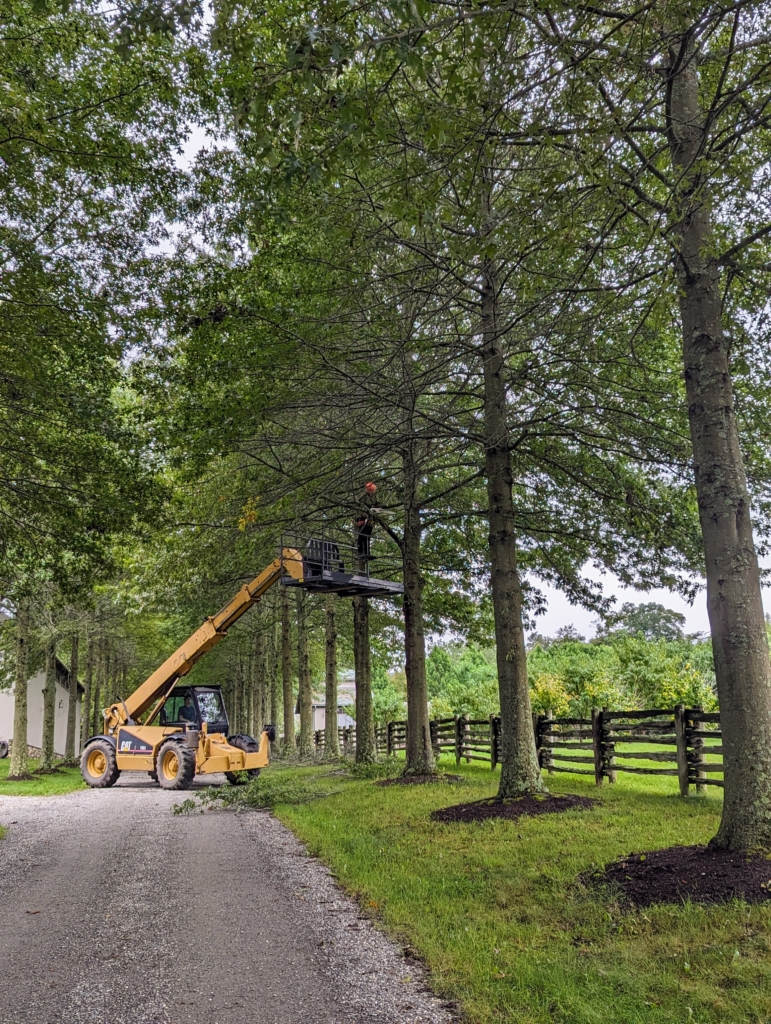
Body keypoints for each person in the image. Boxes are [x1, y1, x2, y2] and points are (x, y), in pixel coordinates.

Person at [354, 481, 377, 560]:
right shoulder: (363, 499)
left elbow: (375, 505)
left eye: (373, 491)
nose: (372, 493)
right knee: (363, 535)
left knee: (367, 537)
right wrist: (366, 516)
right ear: (368, 490)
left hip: (369, 519)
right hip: (362, 518)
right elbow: (360, 509)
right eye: (371, 491)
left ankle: (367, 553)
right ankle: (361, 552)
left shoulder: (372, 498)